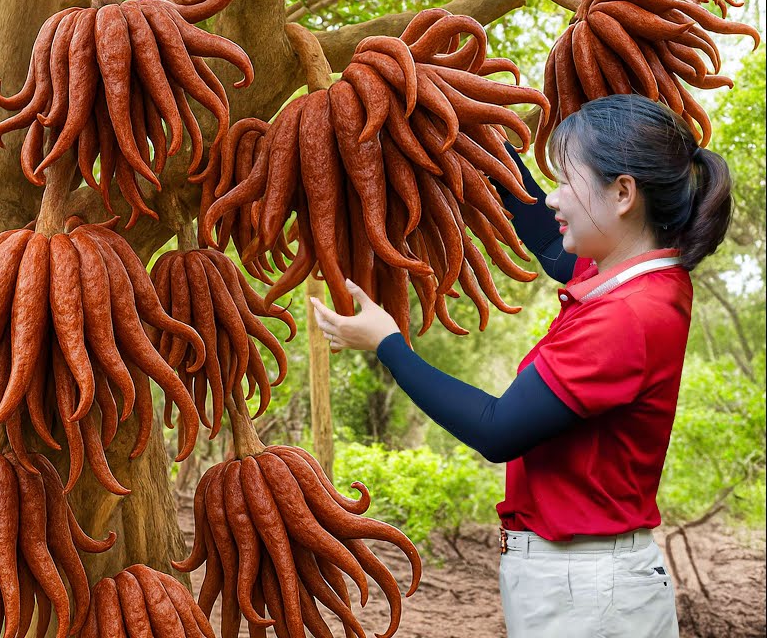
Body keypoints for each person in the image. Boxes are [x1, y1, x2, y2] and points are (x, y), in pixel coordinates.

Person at [310, 93, 733, 638]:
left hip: (587, 592)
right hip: (581, 582)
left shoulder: (630, 315)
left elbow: (498, 430)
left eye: (567, 180)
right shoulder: (643, 277)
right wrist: (473, 132)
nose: (554, 197)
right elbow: (552, 246)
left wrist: (388, 344)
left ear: (623, 193)